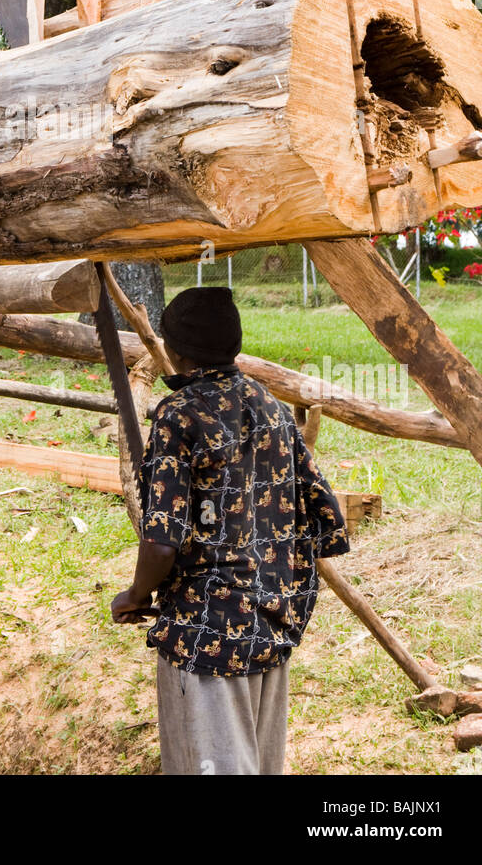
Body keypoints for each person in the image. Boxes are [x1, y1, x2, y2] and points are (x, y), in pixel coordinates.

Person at [111, 286, 350, 775]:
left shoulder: (178, 416)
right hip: (274, 616)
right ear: (233, 345)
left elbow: (161, 541)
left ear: (174, 350)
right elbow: (324, 514)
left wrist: (134, 595)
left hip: (209, 632)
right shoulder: (273, 409)